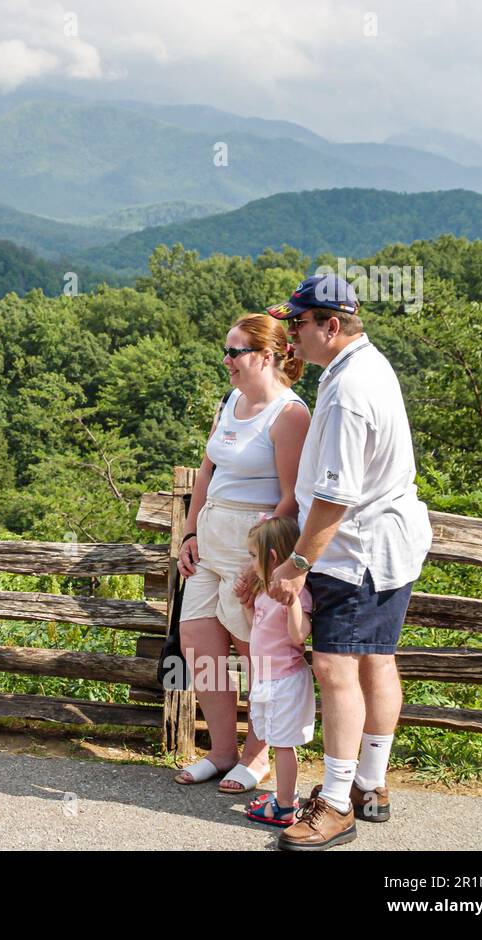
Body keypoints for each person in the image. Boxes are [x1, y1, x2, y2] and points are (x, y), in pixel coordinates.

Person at [260, 273, 433, 851]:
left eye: (298, 324)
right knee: (376, 661)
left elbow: (335, 495)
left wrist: (298, 563)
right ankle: (370, 785)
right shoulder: (364, 366)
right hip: (389, 544)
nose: (289, 336)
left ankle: (335, 804)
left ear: (331, 325)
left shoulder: (347, 392)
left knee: (336, 669)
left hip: (355, 550)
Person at [172, 313, 310, 794]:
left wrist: (260, 563)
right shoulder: (230, 400)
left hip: (256, 543)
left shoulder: (290, 414)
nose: (226, 360)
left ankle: (257, 757)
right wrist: (189, 537)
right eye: (226, 350)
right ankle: (222, 752)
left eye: (235, 352)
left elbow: (292, 498)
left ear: (266, 357)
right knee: (198, 643)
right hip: (210, 540)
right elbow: (206, 471)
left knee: (258, 654)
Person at [241, 515, 314, 827]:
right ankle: (285, 796)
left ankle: (285, 805)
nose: (251, 563)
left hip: (285, 680)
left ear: (271, 557)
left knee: (284, 744)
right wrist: (247, 605)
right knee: (275, 739)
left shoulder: (294, 594)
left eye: (253, 556)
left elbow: (299, 635)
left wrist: (293, 602)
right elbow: (256, 629)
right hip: (268, 678)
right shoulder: (264, 590)